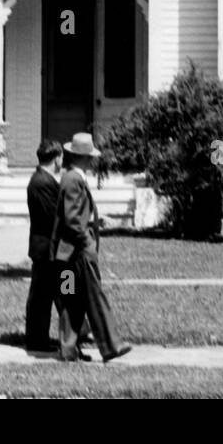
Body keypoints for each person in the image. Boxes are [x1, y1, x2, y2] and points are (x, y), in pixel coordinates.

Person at [50, 132, 132, 365]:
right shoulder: (75, 180)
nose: (93, 160)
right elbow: (74, 220)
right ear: (84, 158)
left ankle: (68, 348)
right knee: (94, 297)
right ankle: (111, 345)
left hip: (63, 255)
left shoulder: (68, 178)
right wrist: (88, 243)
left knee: (69, 300)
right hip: (78, 254)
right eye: (90, 157)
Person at [23, 138, 63, 353]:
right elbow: (53, 216)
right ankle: (37, 340)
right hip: (48, 250)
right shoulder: (42, 183)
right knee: (43, 297)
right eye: (61, 157)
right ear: (56, 158)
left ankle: (64, 336)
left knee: (62, 293)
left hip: (51, 250)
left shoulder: (43, 180)